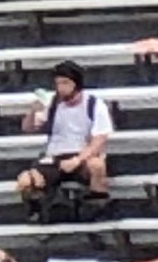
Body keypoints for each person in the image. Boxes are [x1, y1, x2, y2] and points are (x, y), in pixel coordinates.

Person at [14, 64, 115, 213]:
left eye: (65, 83)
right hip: (55, 156)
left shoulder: (94, 104)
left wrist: (78, 160)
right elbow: (28, 128)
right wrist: (32, 112)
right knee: (25, 180)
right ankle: (40, 210)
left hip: (82, 155)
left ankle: (96, 206)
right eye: (58, 83)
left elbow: (99, 139)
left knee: (97, 166)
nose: (61, 88)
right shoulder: (51, 102)